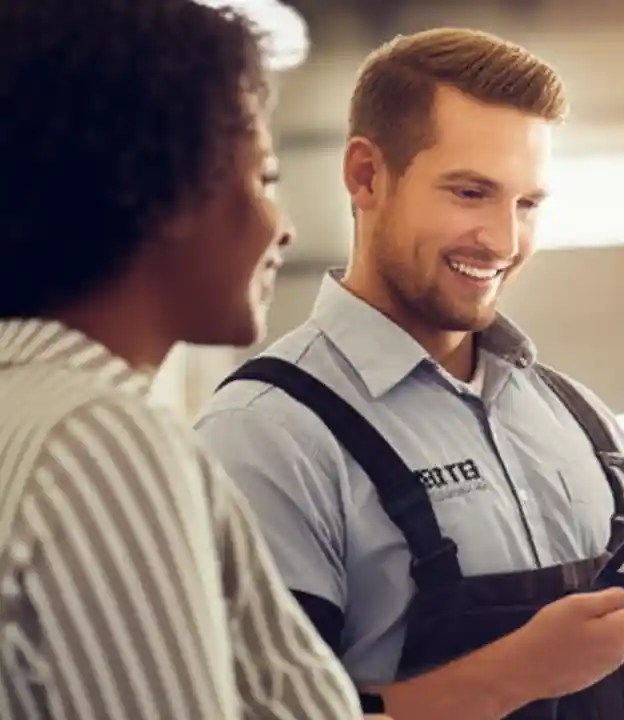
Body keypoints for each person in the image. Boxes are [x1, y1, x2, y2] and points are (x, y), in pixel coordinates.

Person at [195, 27, 624, 719]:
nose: (504, 241)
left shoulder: (580, 423)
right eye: (470, 192)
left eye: (528, 203)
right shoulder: (266, 436)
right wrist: (516, 674)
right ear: (366, 175)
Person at [0, 1, 367, 718]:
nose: (283, 228)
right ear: (163, 186)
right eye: (263, 179)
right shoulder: (101, 441)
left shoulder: (22, 409)